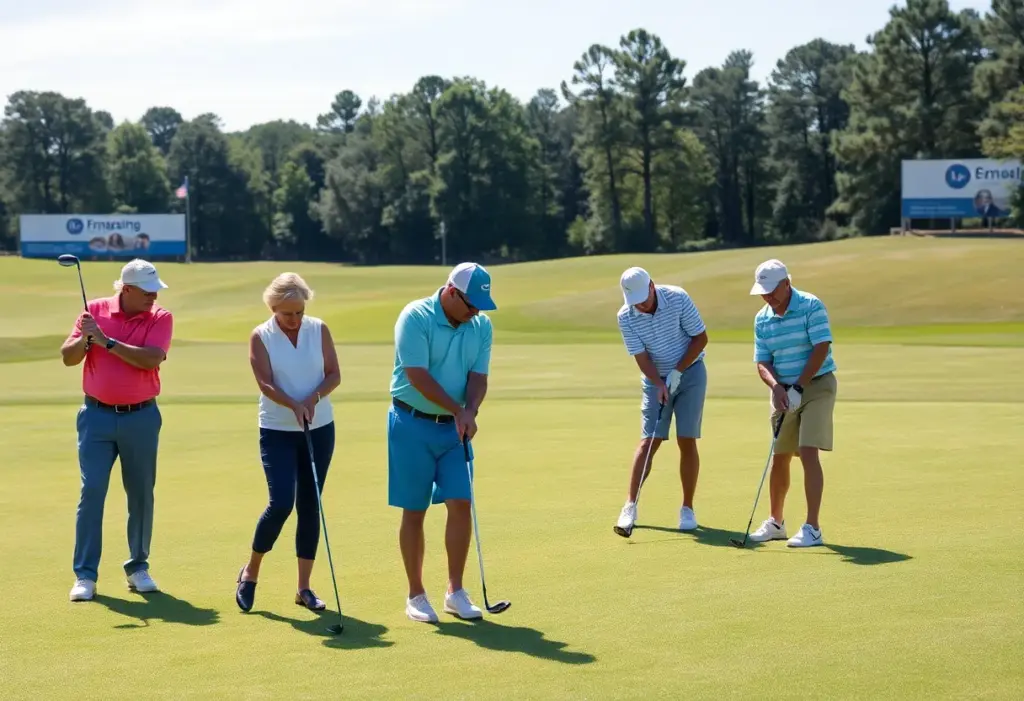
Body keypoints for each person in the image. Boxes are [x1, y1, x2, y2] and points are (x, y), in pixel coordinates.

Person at [388, 262, 496, 623]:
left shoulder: (480, 325)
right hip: (411, 423)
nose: (476, 313)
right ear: (451, 293)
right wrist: (458, 409)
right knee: (414, 510)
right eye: (471, 305)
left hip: (454, 429)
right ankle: (416, 595)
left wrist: (470, 410)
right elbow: (417, 376)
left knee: (461, 503)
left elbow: (478, 376)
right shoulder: (415, 317)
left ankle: (455, 591)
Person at [60, 259, 173, 602]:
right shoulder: (93, 310)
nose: (154, 296)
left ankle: (137, 567)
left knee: (140, 493)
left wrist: (107, 341)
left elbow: (151, 358)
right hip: (95, 416)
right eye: (147, 291)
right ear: (126, 289)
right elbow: (68, 357)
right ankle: (85, 575)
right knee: (92, 492)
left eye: (155, 290)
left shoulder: (160, 317)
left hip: (141, 416)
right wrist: (86, 340)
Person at [235, 273, 341, 613]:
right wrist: (295, 405)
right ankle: (250, 571)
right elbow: (265, 384)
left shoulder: (318, 329)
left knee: (310, 505)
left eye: (299, 312)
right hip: (278, 430)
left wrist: (313, 398)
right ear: (273, 308)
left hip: (319, 428)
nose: (294, 320)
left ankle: (304, 588)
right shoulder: (260, 336)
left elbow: (333, 374)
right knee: (281, 503)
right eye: (286, 313)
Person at [747, 259, 838, 547]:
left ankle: (813, 528)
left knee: (808, 451)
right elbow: (762, 361)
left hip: (817, 385)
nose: (767, 297)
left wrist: (799, 385)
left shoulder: (811, 306)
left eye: (772, 291)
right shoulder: (762, 318)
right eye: (762, 292)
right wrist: (776, 387)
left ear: (787, 283)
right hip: (784, 390)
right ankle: (776, 522)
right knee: (781, 455)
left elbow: (822, 347)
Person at [613, 267, 710, 537]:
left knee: (687, 439)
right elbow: (641, 356)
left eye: (644, 299)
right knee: (649, 439)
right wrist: (658, 383)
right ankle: (630, 506)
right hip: (655, 376)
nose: (641, 306)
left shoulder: (677, 298)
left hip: (690, 372)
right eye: (635, 302)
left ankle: (687, 509)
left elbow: (700, 338)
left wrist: (678, 371)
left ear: (653, 286)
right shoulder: (626, 316)